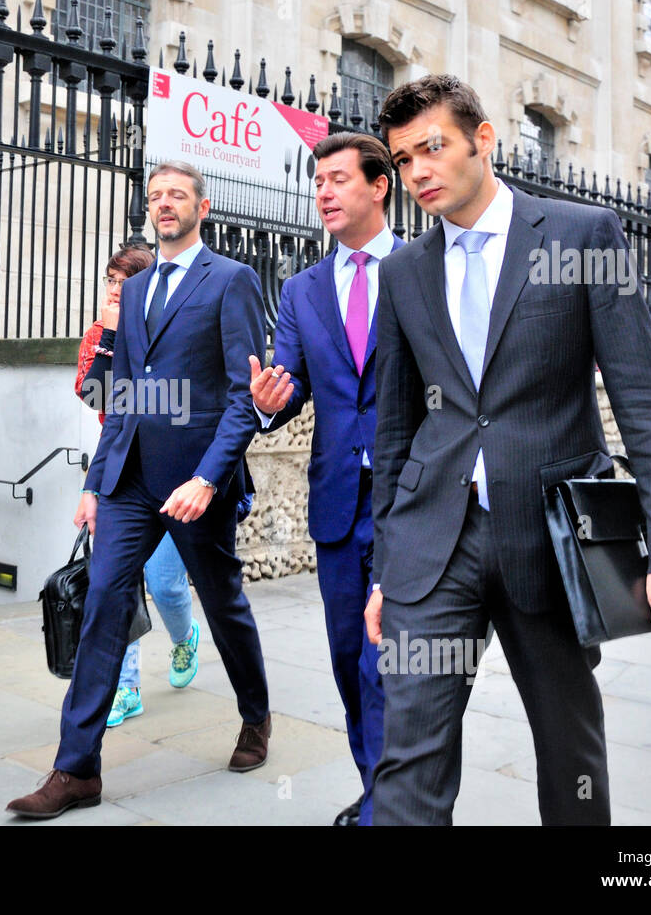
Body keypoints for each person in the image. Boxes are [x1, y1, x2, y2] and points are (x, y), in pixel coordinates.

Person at [366, 75, 651, 825]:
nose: (418, 172)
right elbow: (393, 430)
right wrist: (386, 570)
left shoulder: (583, 235)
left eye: (433, 148)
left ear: (483, 140)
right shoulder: (401, 272)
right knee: (407, 760)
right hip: (433, 546)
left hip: (550, 540)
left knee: (569, 750)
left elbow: (643, 401)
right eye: (402, 160)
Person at [7, 160, 270, 819]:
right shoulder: (140, 285)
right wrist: (97, 483)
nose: (164, 205)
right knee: (102, 600)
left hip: (194, 481)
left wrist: (209, 478)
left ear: (201, 208)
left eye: (177, 195)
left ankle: (255, 715)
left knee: (221, 598)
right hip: (128, 481)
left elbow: (244, 398)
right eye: (155, 197)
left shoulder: (232, 281)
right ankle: (76, 770)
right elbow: (119, 394)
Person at [248, 132, 404, 827]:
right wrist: (270, 402)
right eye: (319, 182)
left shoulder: (425, 271)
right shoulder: (302, 289)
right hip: (340, 504)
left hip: (415, 502)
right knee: (349, 657)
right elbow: (291, 385)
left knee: (392, 659)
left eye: (339, 179)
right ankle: (379, 789)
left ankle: (389, 805)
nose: (324, 193)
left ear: (380, 186)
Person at [74, 244, 202, 727]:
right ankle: (124, 688)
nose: (113, 289)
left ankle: (185, 635)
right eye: (110, 278)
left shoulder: (168, 334)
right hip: (120, 473)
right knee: (117, 584)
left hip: (172, 476)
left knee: (165, 583)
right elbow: (95, 396)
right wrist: (109, 332)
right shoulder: (99, 334)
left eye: (124, 282)